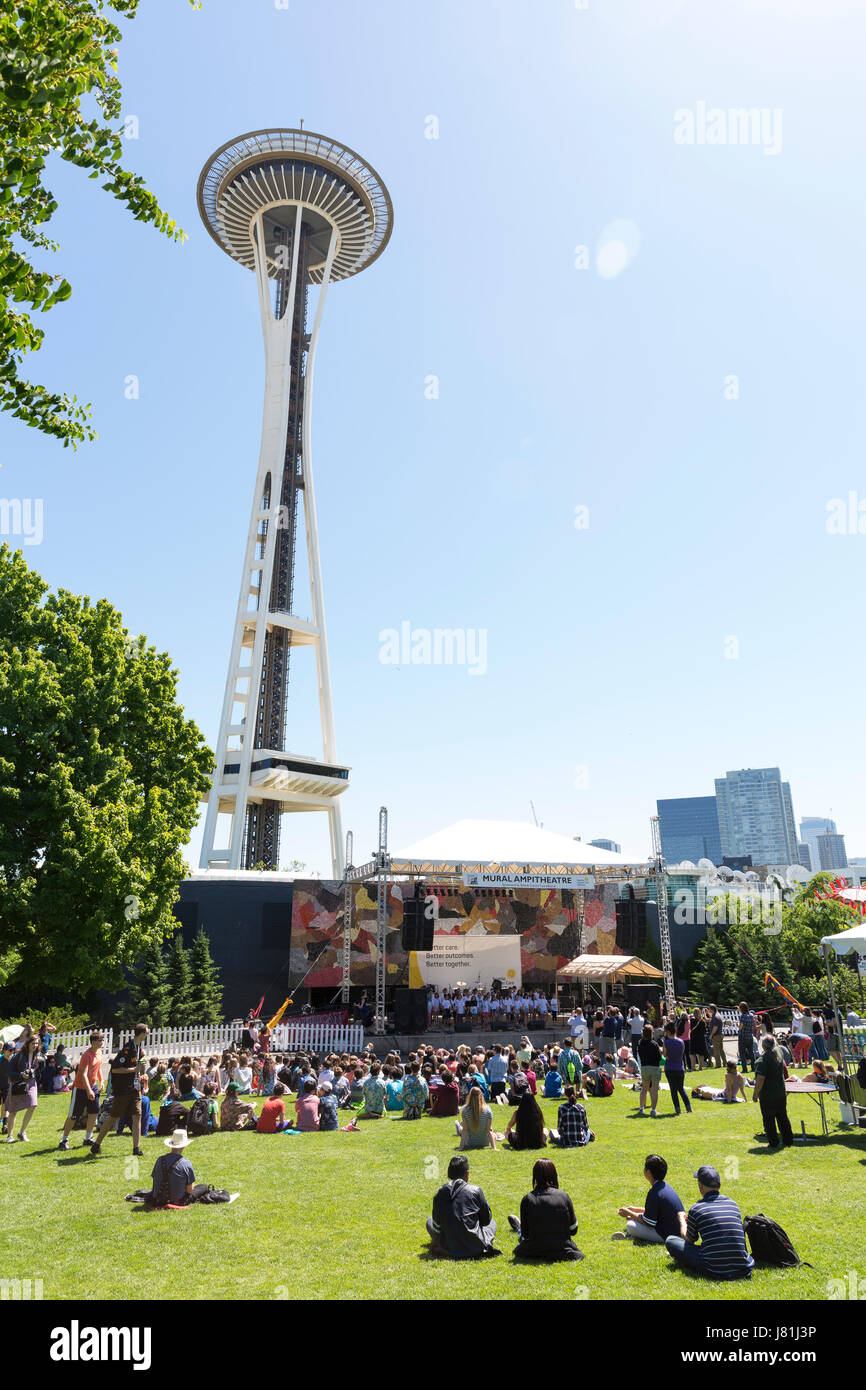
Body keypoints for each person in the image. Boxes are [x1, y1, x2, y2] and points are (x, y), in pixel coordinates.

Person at [665, 1166, 754, 1280]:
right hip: (743, 1268)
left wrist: (682, 1221)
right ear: (719, 1186)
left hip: (714, 1268)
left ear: (700, 1186)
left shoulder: (697, 1208)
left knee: (671, 1241)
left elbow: (689, 1239)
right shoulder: (733, 1204)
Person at [89, 1022, 149, 1158]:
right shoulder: (127, 1049)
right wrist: (134, 1069)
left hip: (135, 1088)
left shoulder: (139, 1047)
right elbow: (115, 1068)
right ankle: (96, 1144)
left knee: (137, 1116)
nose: (148, 1034)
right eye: (147, 1031)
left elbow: (135, 1068)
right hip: (123, 1090)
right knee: (113, 1117)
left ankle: (136, 1148)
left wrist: (139, 1073)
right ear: (141, 1033)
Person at [426, 1155, 499, 1259]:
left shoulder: (439, 1193)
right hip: (474, 1246)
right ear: (467, 1173)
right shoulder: (475, 1190)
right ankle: (486, 1241)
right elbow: (486, 1220)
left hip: (447, 1245)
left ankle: (446, 1242)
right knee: (492, 1223)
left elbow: (437, 1225)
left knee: (429, 1221)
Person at [509, 1159, 583, 1260]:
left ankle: (518, 1227)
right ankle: (518, 1227)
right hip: (562, 1249)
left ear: (535, 1176)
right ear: (554, 1174)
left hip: (534, 1249)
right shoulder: (563, 1196)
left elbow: (526, 1234)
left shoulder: (527, 1199)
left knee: (521, 1233)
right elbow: (573, 1229)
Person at [614, 1153, 685, 1243]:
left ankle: (632, 1235)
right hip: (676, 1231)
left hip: (668, 1235)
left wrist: (630, 1213)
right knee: (634, 1222)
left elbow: (649, 1223)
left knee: (630, 1225)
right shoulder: (664, 1186)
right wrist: (635, 1210)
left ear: (648, 1172)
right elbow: (656, 1212)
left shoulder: (655, 1192)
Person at [59, 1029, 104, 1150]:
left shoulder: (99, 1053)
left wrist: (102, 1081)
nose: (102, 1043)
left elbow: (98, 1068)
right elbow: (83, 1074)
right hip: (80, 1089)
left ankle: (88, 1138)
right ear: (93, 1042)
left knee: (94, 1113)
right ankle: (64, 1140)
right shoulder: (86, 1055)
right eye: (100, 1040)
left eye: (102, 1040)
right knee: (74, 1116)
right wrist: (88, 1090)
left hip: (93, 1087)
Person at [753, 1035, 793, 1149]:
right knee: (782, 1118)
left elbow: (760, 1080)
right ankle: (788, 1140)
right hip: (780, 1093)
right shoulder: (779, 1055)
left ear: (763, 1046)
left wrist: (755, 1094)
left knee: (769, 1120)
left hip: (768, 1095)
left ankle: (773, 1142)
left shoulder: (762, 1060)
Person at [5, 1029, 40, 1142]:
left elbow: (38, 1069)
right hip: (18, 1083)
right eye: (32, 1043)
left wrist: (40, 1064)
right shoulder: (19, 1055)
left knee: (33, 1105)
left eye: (36, 1043)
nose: (35, 1045)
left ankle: (21, 1132)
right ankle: (10, 1135)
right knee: (13, 1111)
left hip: (31, 1083)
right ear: (27, 1043)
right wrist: (21, 1075)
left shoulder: (37, 1056)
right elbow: (9, 1072)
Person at [456, 1083, 498, 1150]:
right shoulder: (488, 1110)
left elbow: (465, 1131)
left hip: (470, 1142)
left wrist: (461, 1147)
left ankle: (459, 1126)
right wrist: (494, 1147)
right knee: (492, 1132)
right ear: (481, 1096)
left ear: (470, 1096)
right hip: (485, 1142)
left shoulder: (465, 1110)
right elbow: (488, 1131)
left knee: (461, 1128)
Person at [663, 1022, 692, 1116]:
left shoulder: (666, 1042)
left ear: (667, 1032)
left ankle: (678, 1109)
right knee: (681, 1089)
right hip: (680, 1067)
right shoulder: (681, 1041)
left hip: (670, 1068)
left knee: (673, 1090)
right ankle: (688, 1108)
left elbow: (664, 1055)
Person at [637, 1023, 662, 1117]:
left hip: (644, 1067)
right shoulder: (654, 1044)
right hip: (654, 1067)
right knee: (654, 1089)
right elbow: (659, 1057)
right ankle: (653, 1110)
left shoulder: (640, 1043)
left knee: (644, 1089)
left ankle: (641, 1108)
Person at [737, 1001, 757, 1072]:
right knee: (751, 1052)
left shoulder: (743, 1016)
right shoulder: (751, 1015)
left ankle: (744, 1069)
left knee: (742, 1053)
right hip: (750, 1036)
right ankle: (753, 1068)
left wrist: (738, 1025)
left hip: (742, 1036)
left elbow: (740, 1027)